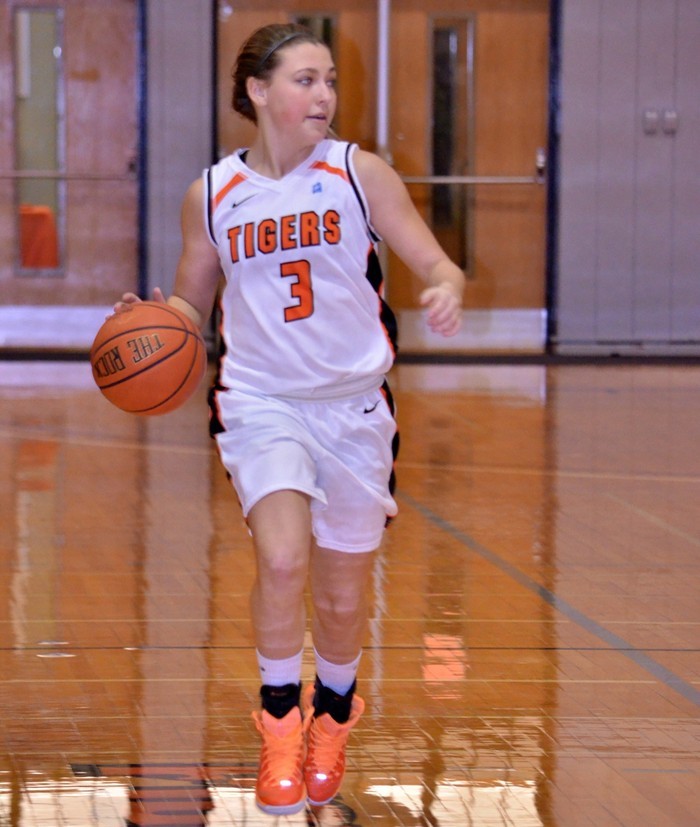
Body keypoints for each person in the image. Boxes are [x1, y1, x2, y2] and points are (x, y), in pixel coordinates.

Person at [115, 22, 464, 817]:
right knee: (279, 559)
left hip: (354, 409)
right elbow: (190, 303)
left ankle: (332, 718)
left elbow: (434, 258)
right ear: (257, 90)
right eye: (305, 80)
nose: (324, 95)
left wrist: (446, 284)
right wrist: (149, 322)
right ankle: (278, 723)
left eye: (329, 80)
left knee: (341, 599)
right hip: (260, 401)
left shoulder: (358, 174)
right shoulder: (213, 194)